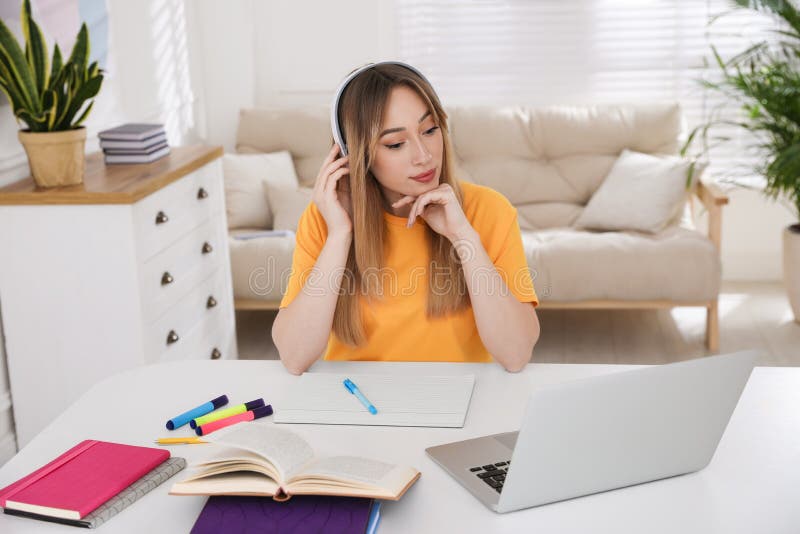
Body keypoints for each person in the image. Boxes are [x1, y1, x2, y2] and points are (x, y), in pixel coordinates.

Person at [272, 61, 540, 374]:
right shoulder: (325, 221)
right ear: (354, 156)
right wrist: (340, 235)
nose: (424, 155)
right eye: (396, 143)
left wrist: (463, 237)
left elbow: (516, 353)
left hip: (457, 403)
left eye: (429, 130)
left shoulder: (489, 210)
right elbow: (294, 356)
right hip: (358, 405)